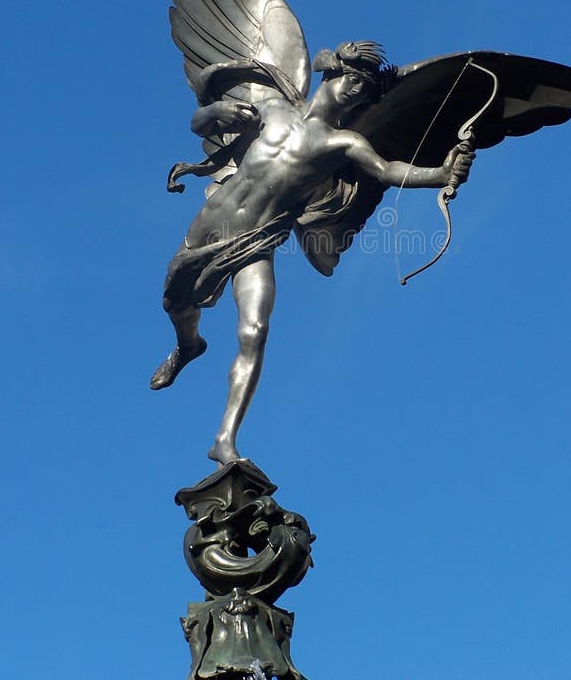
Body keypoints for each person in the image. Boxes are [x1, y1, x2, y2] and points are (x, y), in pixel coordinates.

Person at [151, 46, 474, 465]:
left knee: (255, 331)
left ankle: (224, 438)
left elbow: (388, 170)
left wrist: (440, 175)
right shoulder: (271, 107)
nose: (355, 93)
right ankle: (188, 347)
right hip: (211, 226)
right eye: (354, 81)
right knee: (176, 304)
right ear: (333, 72)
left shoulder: (344, 142)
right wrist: (217, 116)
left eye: (364, 92)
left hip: (257, 241)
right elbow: (198, 122)